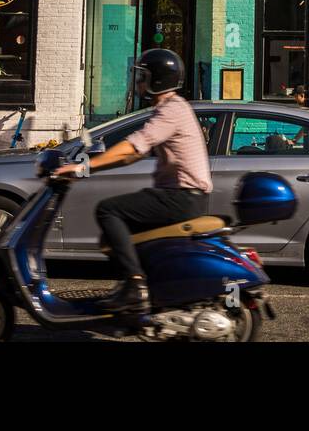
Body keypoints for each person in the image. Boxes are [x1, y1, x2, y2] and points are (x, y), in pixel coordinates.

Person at [53, 49, 212, 314]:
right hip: (182, 195)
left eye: (143, 77)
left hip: (182, 196)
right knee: (115, 233)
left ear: (157, 80)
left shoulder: (171, 111)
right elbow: (128, 158)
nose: (138, 83)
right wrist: (84, 171)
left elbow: (133, 148)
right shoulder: (172, 109)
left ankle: (136, 286)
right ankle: (138, 285)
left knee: (108, 209)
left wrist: (82, 166)